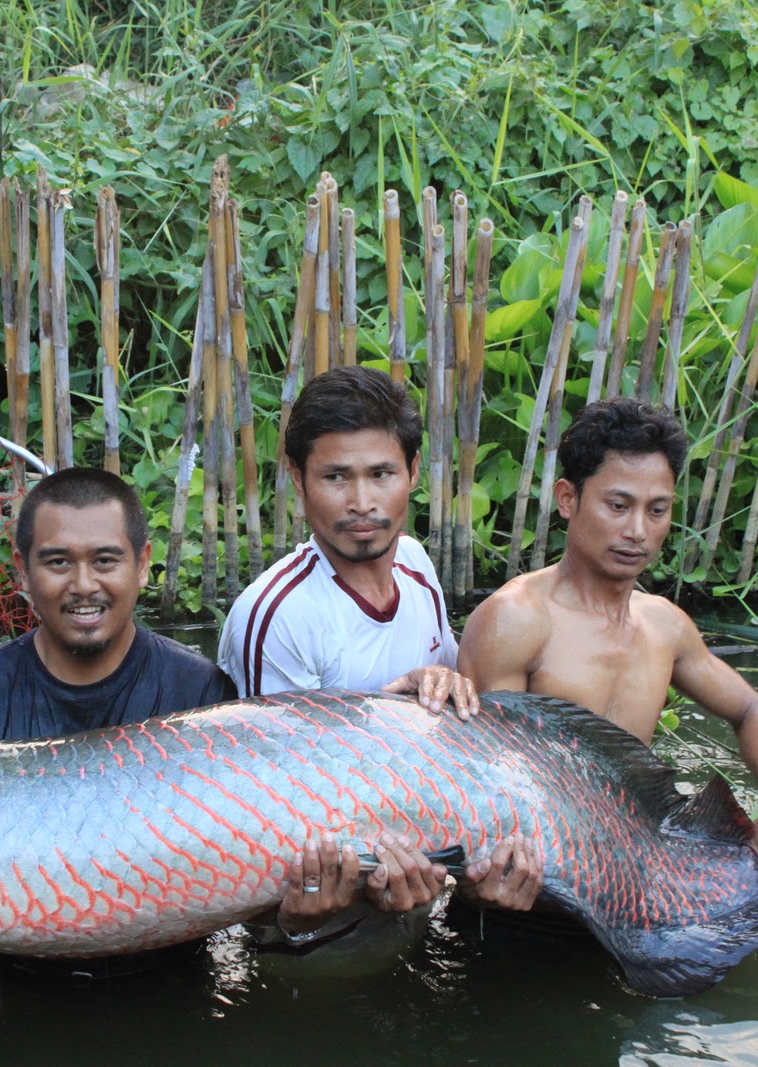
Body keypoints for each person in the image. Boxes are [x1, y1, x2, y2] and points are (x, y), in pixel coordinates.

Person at [217, 365, 535, 947]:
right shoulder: (279, 614)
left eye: (381, 473)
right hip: (314, 919)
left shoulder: (415, 564)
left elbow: (455, 709)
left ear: (412, 472)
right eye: (335, 476)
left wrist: (438, 681)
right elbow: (274, 803)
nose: (362, 502)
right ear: (297, 476)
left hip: (411, 862)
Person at [458, 397, 758, 899]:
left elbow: (752, 710)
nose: (637, 532)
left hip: (628, 867)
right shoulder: (517, 620)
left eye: (657, 510)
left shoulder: (665, 626)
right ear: (568, 499)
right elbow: (488, 789)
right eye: (618, 505)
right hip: (528, 889)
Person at [0, 466, 234, 979]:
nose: (84, 585)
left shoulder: (200, 695)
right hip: (15, 983)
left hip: (167, 981)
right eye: (58, 562)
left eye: (106, 560)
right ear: (22, 570)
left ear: (143, 564)